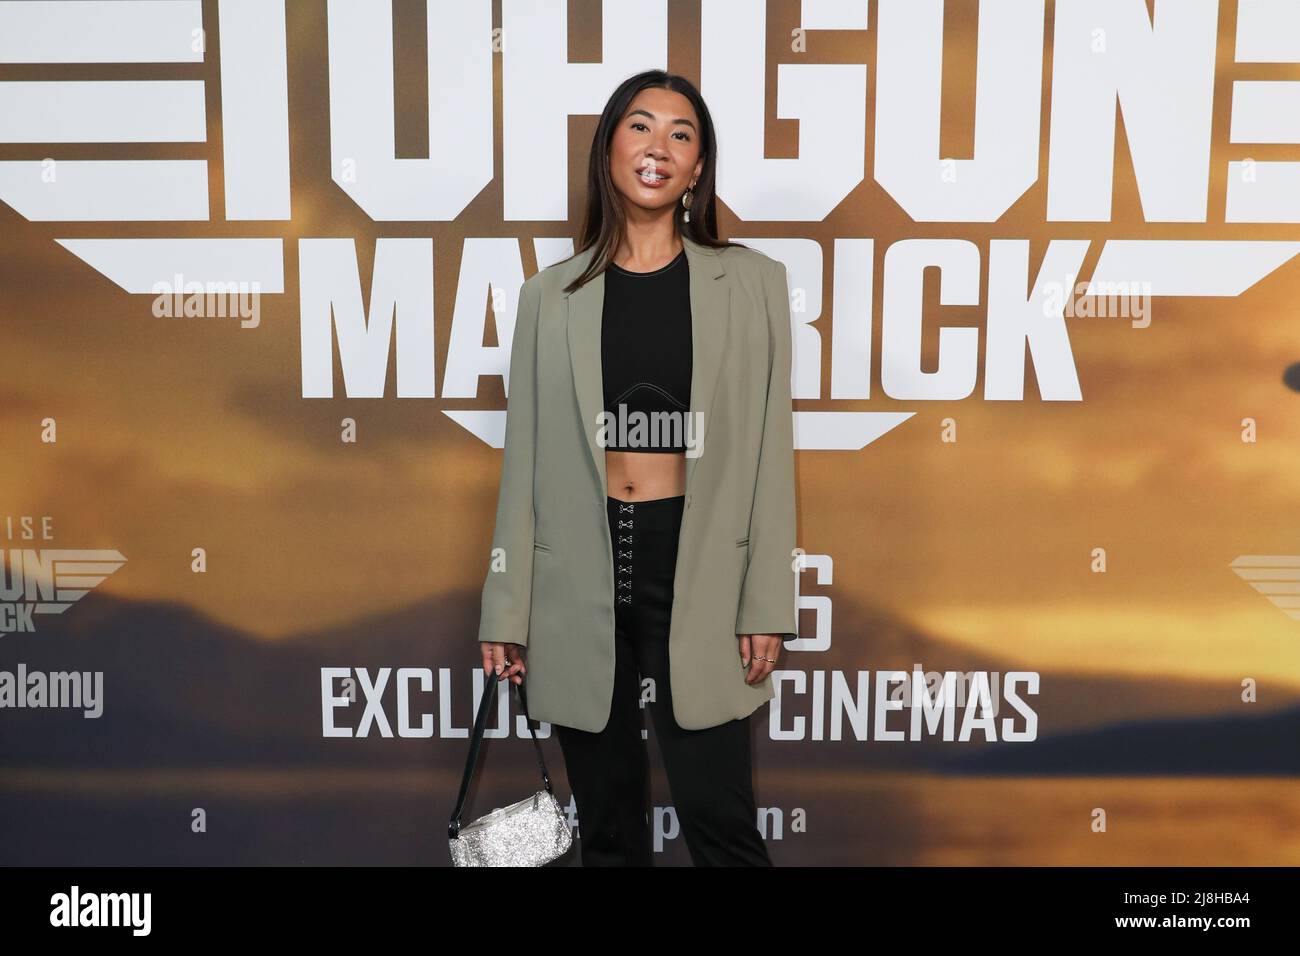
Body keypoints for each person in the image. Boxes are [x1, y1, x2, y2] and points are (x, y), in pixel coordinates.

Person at [476, 69, 797, 866]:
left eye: (681, 134)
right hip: (580, 567)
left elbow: (769, 452)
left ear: (697, 169)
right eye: (640, 127)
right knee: (610, 831)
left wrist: (766, 599)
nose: (659, 147)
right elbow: (524, 464)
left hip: (693, 558)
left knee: (720, 823)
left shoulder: (751, 284)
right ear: (610, 149)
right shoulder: (548, 298)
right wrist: (505, 609)